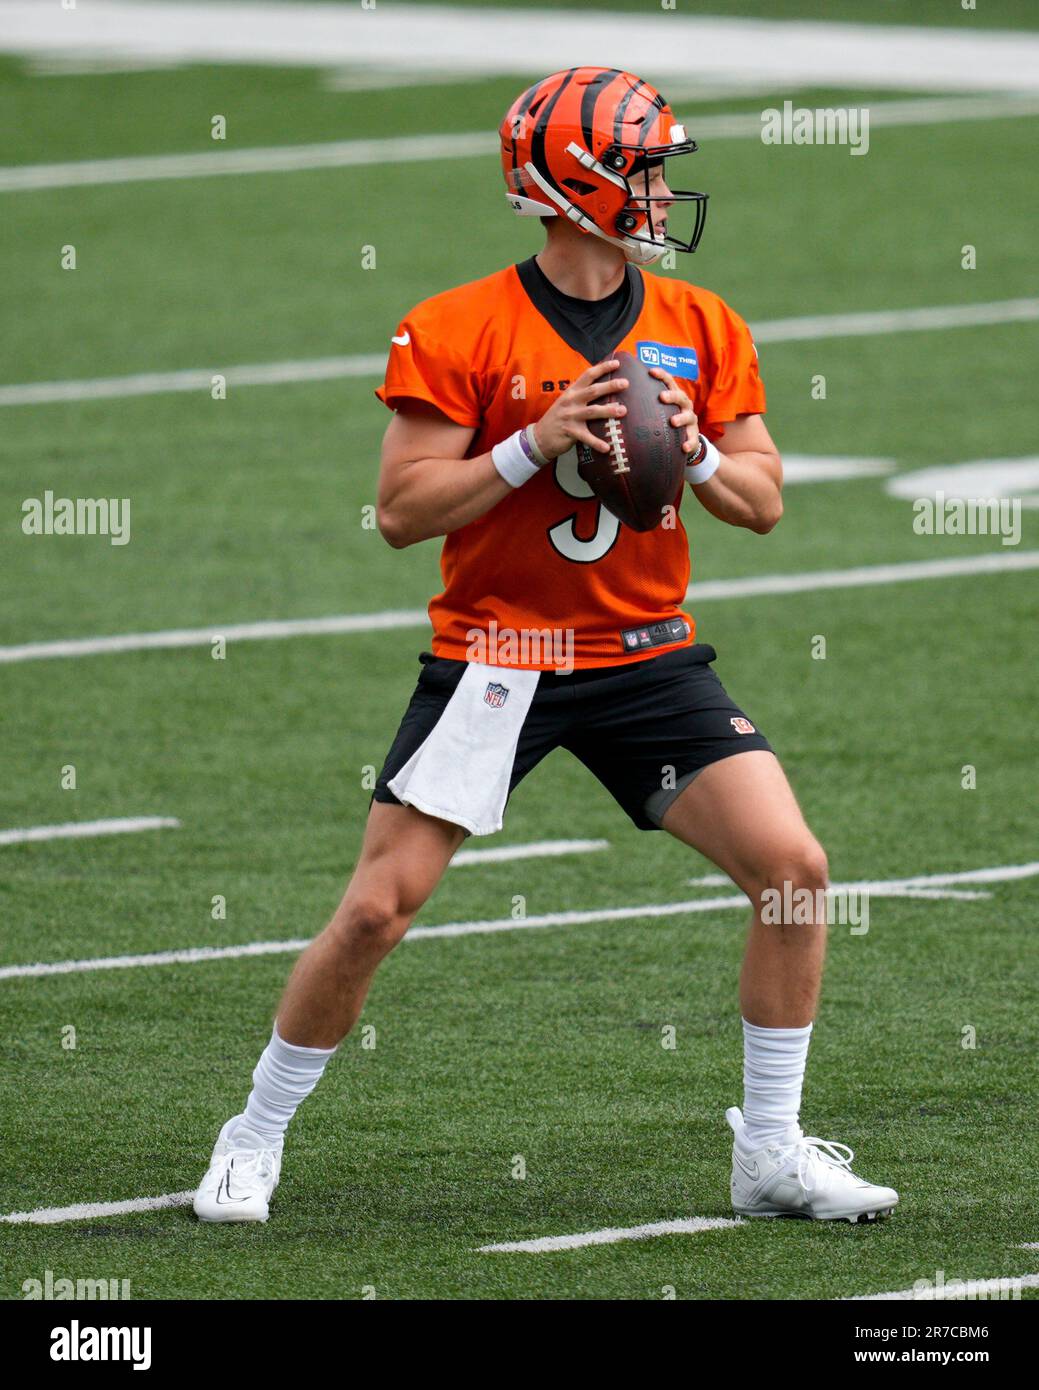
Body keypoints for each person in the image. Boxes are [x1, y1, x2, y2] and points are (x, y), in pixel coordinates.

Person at [194, 67, 897, 1225]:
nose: (664, 190)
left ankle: (768, 1149)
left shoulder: (700, 323)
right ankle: (253, 1133)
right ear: (574, 183)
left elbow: (765, 500)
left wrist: (699, 453)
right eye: (644, 167)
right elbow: (401, 512)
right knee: (377, 909)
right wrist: (530, 444)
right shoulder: (460, 324)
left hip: (644, 656)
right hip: (498, 654)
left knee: (793, 871)